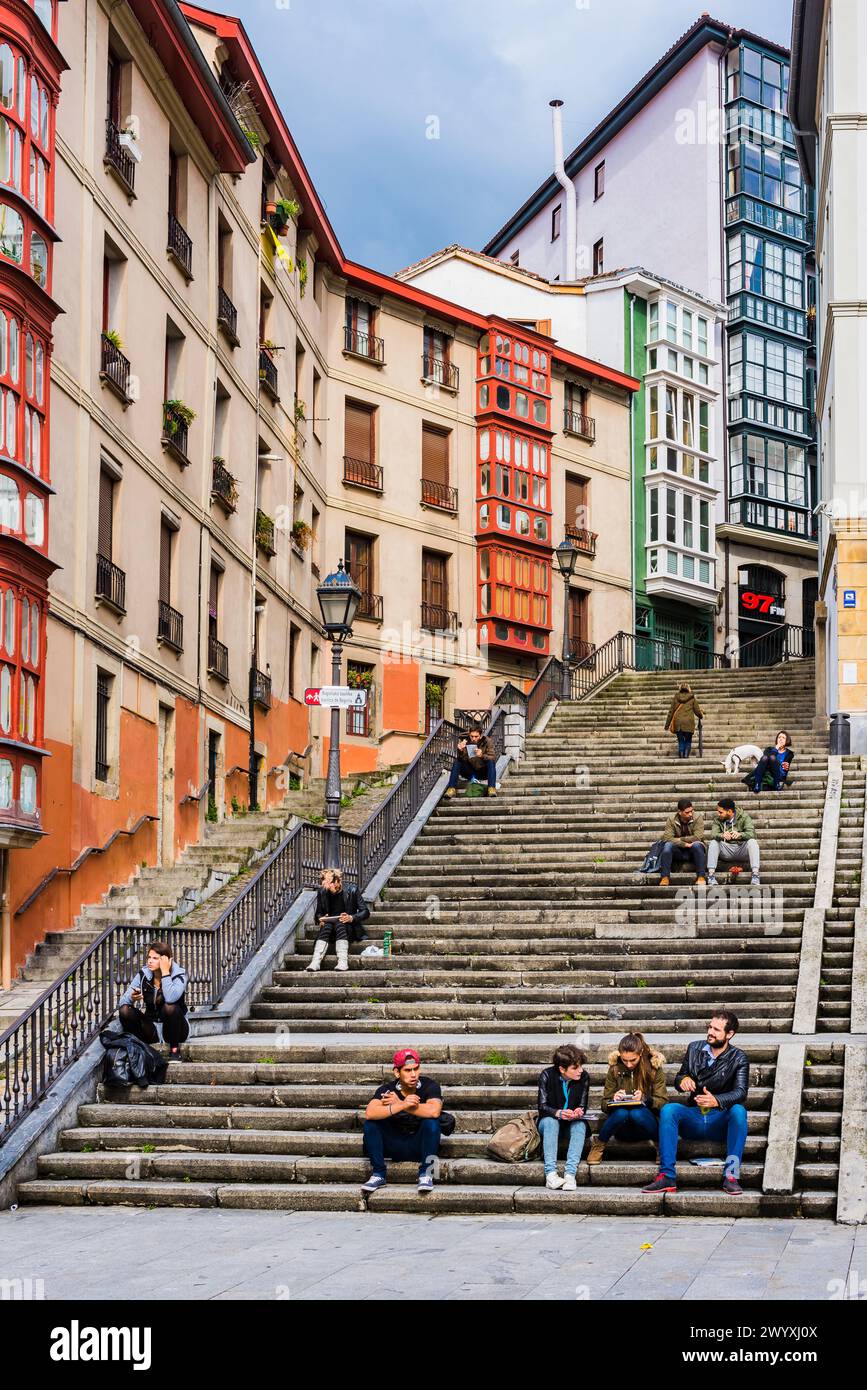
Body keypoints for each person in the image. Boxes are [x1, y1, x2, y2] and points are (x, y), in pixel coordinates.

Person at [642, 1009, 749, 1196]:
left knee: (739, 1111)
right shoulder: (694, 1048)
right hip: (695, 1117)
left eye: (716, 1029)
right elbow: (680, 1077)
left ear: (730, 1034)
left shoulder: (739, 1058)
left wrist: (717, 1100)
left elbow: (741, 1092)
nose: (711, 1032)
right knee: (669, 1109)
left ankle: (731, 1175)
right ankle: (667, 1176)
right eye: (710, 1027)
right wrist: (682, 1081)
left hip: (719, 1120)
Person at [362, 1048, 443, 1194]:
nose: (413, 1074)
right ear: (397, 1072)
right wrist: (403, 1104)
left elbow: (434, 1110)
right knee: (371, 1124)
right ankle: (378, 1174)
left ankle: (427, 1174)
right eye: (407, 1070)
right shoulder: (387, 1090)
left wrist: (401, 1104)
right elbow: (370, 1113)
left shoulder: (430, 1086)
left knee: (432, 1123)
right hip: (393, 1144)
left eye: (416, 1069)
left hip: (419, 1145)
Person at [588, 1032, 668, 1164]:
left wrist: (645, 1099)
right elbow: (603, 1103)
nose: (629, 1064)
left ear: (640, 1053)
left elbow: (663, 1102)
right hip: (621, 1127)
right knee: (622, 1112)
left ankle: (660, 1147)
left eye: (633, 1060)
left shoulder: (654, 1068)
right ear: (620, 1054)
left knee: (636, 1112)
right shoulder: (614, 1069)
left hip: (646, 1125)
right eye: (625, 1060)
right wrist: (613, 1099)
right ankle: (599, 1146)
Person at [118, 941, 189, 1061]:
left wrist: (165, 972)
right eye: (149, 957)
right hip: (152, 1028)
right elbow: (122, 1002)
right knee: (125, 1010)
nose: (150, 961)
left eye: (155, 958)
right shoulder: (144, 975)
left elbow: (171, 997)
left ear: (166, 960)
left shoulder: (179, 975)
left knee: (170, 1006)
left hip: (176, 1028)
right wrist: (132, 997)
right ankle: (139, 1047)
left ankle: (174, 1051)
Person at [536, 1044, 589, 1190]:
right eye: (575, 1068)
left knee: (580, 1125)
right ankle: (551, 1175)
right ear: (562, 1069)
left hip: (570, 1123)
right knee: (551, 1122)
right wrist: (558, 1113)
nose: (581, 1070)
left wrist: (579, 1111)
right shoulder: (547, 1075)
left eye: (581, 1066)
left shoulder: (584, 1077)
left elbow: (583, 1104)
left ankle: (570, 1175)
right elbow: (542, 1106)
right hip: (548, 1122)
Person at [305, 867, 370, 973]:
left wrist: (351, 917)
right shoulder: (322, 892)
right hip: (329, 928)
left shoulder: (352, 890)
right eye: (325, 884)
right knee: (328, 925)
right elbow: (318, 914)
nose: (328, 887)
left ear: (337, 881)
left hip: (347, 927)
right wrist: (321, 919)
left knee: (340, 923)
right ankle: (315, 962)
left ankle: (343, 962)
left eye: (330, 884)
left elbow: (365, 912)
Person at [706, 798, 760, 886]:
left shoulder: (744, 817)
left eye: (720, 812)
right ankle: (711, 875)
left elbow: (752, 833)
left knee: (752, 842)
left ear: (730, 811)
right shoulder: (717, 819)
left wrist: (740, 835)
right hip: (726, 850)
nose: (718, 813)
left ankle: (755, 874)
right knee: (713, 842)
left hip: (741, 849)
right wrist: (722, 835)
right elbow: (713, 834)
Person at [657, 798, 707, 886]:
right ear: (680, 812)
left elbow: (698, 837)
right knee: (667, 846)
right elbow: (667, 838)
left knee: (697, 845)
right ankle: (665, 877)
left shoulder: (697, 817)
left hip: (693, 849)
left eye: (691, 811)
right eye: (687, 812)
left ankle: (701, 876)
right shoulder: (671, 819)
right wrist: (684, 844)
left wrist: (680, 839)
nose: (690, 814)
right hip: (678, 850)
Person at [444, 725, 497, 799]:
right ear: (469, 735)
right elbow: (462, 759)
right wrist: (460, 751)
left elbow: (493, 757)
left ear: (481, 735)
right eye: (472, 736)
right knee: (457, 761)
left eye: (476, 736)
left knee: (491, 762)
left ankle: (491, 788)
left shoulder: (487, 741)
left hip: (483, 771)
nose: (473, 738)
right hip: (470, 771)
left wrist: (482, 755)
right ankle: (451, 789)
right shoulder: (465, 741)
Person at [665, 681, 704, 759]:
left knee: (681, 741)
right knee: (688, 740)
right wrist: (701, 715)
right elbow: (697, 710)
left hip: (678, 722)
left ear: (680, 689)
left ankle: (681, 754)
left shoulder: (676, 697)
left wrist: (667, 725)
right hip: (688, 722)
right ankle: (686, 755)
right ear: (688, 689)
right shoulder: (692, 698)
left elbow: (671, 711)